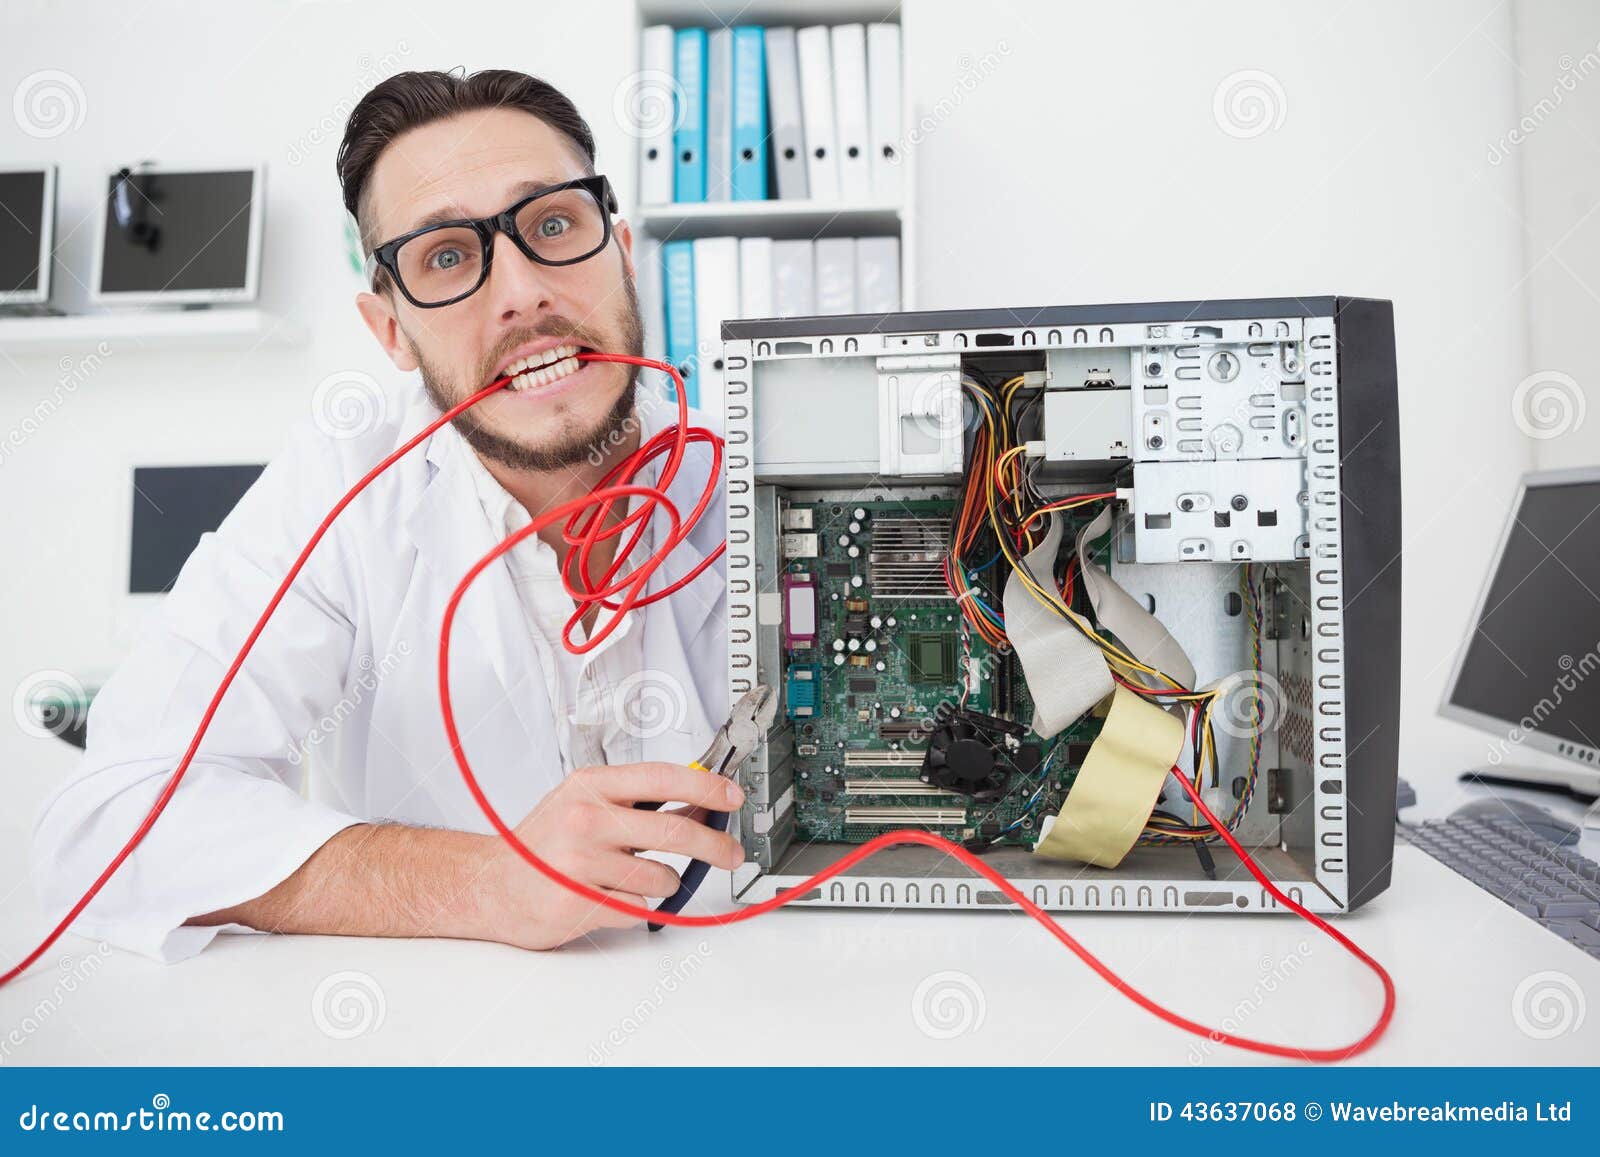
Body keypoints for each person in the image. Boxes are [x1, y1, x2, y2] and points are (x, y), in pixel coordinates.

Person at [31, 70, 739, 962]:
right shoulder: (341, 492)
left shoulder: (765, 479)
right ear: (391, 331)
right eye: (447, 256)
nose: (520, 291)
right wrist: (489, 880)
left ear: (623, 251)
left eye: (553, 224)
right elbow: (108, 822)